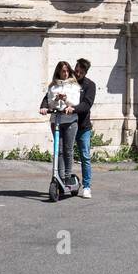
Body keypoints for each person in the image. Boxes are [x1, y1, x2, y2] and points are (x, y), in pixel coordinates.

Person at [39, 61, 81, 189]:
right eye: (63, 71)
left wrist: (66, 99)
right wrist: (56, 100)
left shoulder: (74, 86)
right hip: (56, 120)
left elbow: (76, 102)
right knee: (59, 150)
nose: (66, 73)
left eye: (67, 71)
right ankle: (60, 177)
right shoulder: (53, 86)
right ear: (58, 71)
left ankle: (68, 176)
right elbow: (50, 104)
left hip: (70, 121)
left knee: (68, 149)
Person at [71, 58, 96, 199]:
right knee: (64, 155)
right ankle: (64, 181)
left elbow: (87, 104)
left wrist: (73, 109)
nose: (77, 73)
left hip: (83, 126)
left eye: (80, 72)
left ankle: (87, 187)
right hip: (68, 125)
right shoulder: (69, 82)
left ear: (85, 72)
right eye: (76, 70)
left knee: (85, 156)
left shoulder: (90, 85)